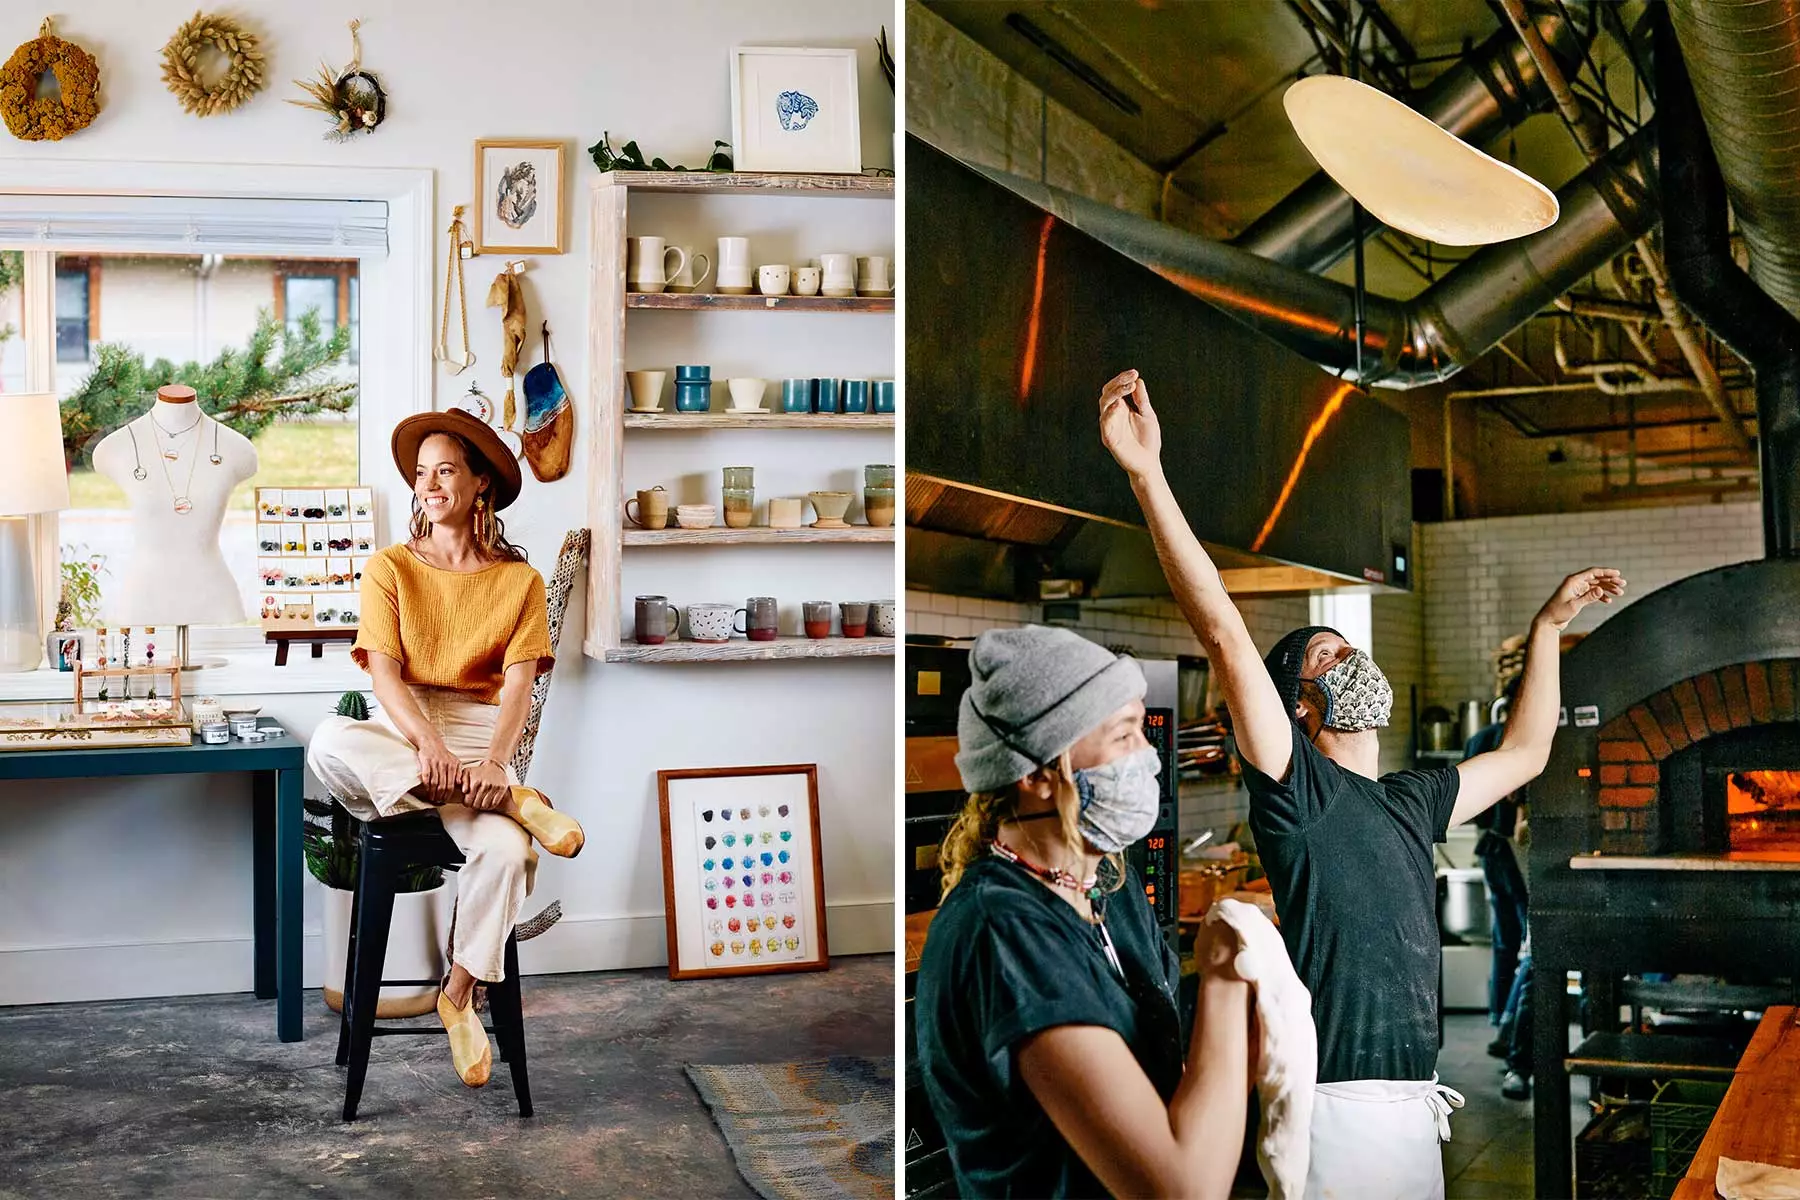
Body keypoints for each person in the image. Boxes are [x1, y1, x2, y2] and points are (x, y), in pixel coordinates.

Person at [1096, 368, 1624, 1199]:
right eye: (1330, 658)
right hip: (1338, 1108)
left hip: (1416, 1109)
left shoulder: (1411, 800)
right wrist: (1148, 475)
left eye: (1348, 650)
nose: (1355, 662)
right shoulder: (1297, 791)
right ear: (1299, 709)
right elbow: (1227, 635)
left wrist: (1550, 628)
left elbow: (1525, 753)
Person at [914, 625, 1262, 1198]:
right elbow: (1182, 1189)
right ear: (1036, 774)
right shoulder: (1003, 930)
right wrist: (1225, 973)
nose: (1150, 757)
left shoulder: (1109, 885)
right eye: (1124, 736)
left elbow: (1175, 1095)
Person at [309, 408, 585, 1089]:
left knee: (508, 850)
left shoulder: (517, 582)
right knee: (329, 740)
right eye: (422, 473)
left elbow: (518, 687)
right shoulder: (391, 568)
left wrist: (494, 762)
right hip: (402, 737)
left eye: (447, 470)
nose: (430, 484)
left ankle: (457, 994)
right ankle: (519, 803)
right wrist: (426, 746)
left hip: (477, 735)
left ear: (480, 484)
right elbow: (383, 675)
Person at [1461, 676, 1529, 1048]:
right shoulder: (1521, 742)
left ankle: (1499, 1012)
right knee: (1527, 942)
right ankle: (1510, 1023)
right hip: (1515, 852)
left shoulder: (1479, 740)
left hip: (1491, 850)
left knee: (1505, 939)